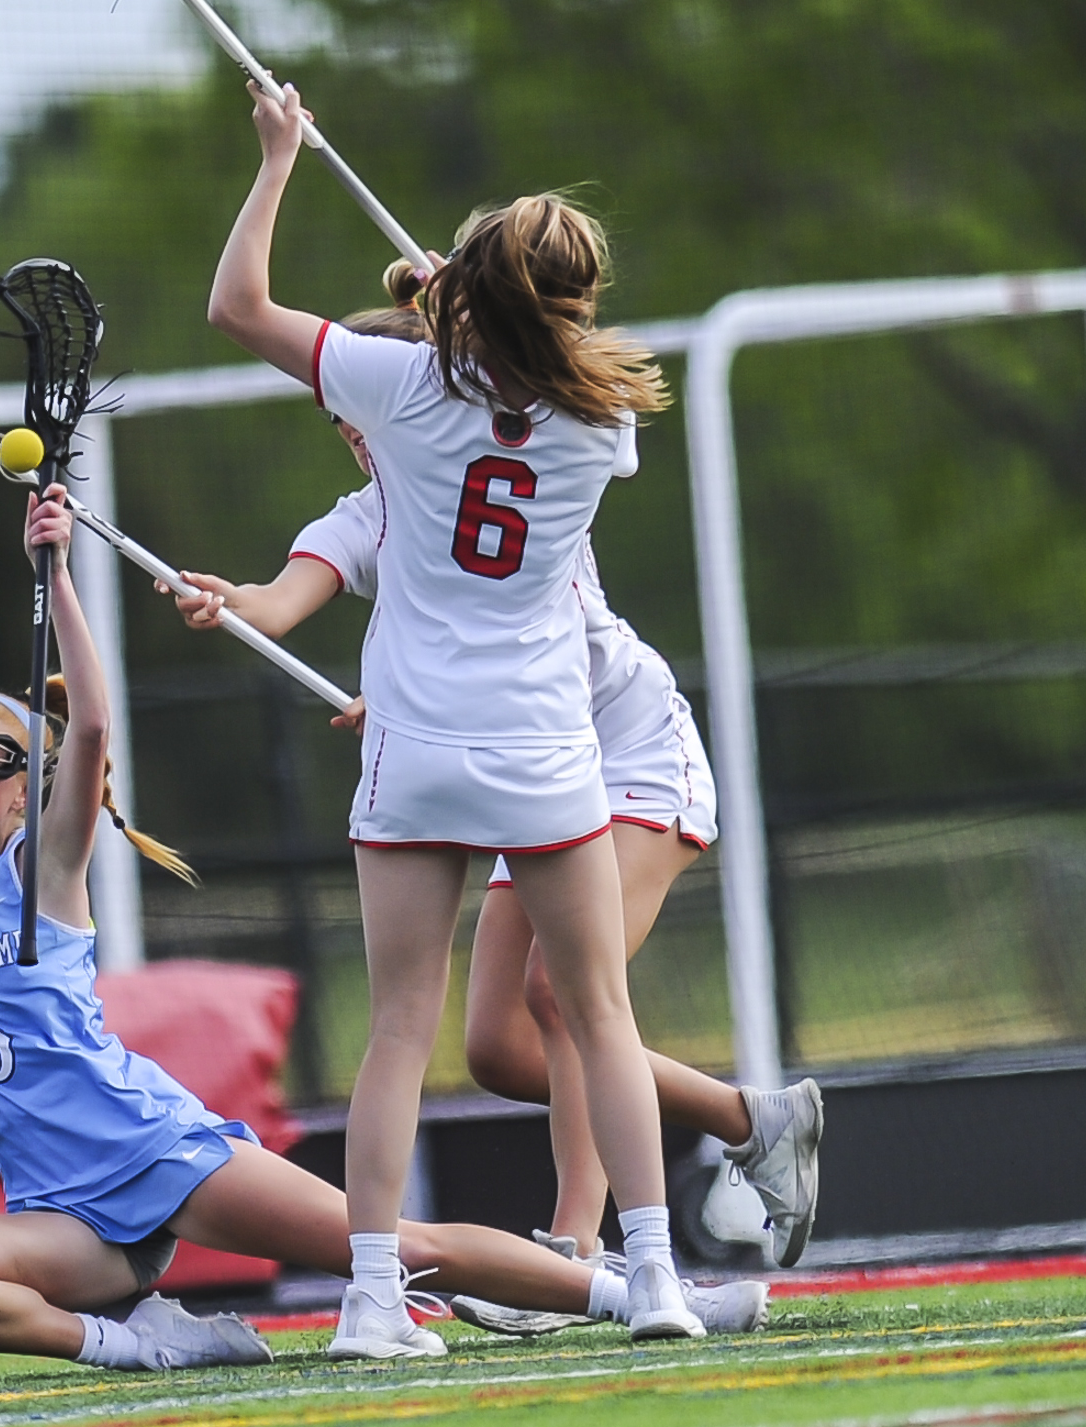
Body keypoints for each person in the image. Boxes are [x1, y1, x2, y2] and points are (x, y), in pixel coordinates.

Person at [0, 489, 767, 1372]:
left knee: (406, 1245)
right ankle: (153, 1342)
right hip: (55, 1202)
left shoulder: (44, 864)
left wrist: (52, 570)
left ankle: (641, 1289)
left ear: (26, 786)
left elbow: (94, 719)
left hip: (158, 1155)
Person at [167, 292, 825, 1329]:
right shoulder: (393, 503)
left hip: (622, 748)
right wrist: (257, 616)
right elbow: (340, 598)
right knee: (495, 1047)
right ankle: (748, 1117)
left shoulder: (515, 449)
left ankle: (579, 1254)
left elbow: (504, 593)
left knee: (564, 996)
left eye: (355, 411)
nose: (348, 431)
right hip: (524, 756)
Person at [208, 77, 702, 1350]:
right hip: (544, 749)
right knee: (601, 1016)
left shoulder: (393, 389)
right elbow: (522, 372)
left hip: (415, 747)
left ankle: (372, 1298)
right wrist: (467, 304)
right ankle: (651, 1277)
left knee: (394, 1033)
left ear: (469, 295)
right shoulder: (606, 426)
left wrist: (277, 159)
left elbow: (238, 307)